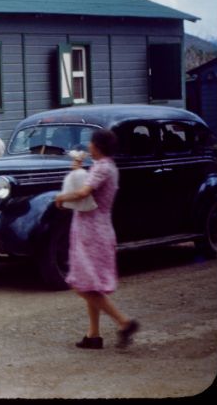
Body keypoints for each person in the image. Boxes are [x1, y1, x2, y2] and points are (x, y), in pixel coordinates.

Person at [55, 129, 140, 350]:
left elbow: (84, 193)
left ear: (98, 146)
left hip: (92, 230)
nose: (89, 146)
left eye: (91, 143)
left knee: (81, 285)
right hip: (93, 228)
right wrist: (78, 171)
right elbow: (88, 187)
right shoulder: (105, 166)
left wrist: (62, 197)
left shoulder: (102, 167)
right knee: (90, 282)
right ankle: (93, 334)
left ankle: (124, 322)